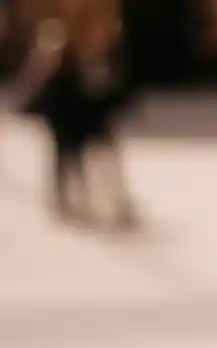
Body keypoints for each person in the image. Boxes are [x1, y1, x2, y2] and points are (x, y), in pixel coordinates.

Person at [19, 6, 135, 225]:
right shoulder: (57, 42)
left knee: (103, 155)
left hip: (88, 113)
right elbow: (44, 82)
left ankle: (110, 199)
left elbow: (111, 85)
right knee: (67, 158)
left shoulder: (102, 48)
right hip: (65, 115)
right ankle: (68, 198)